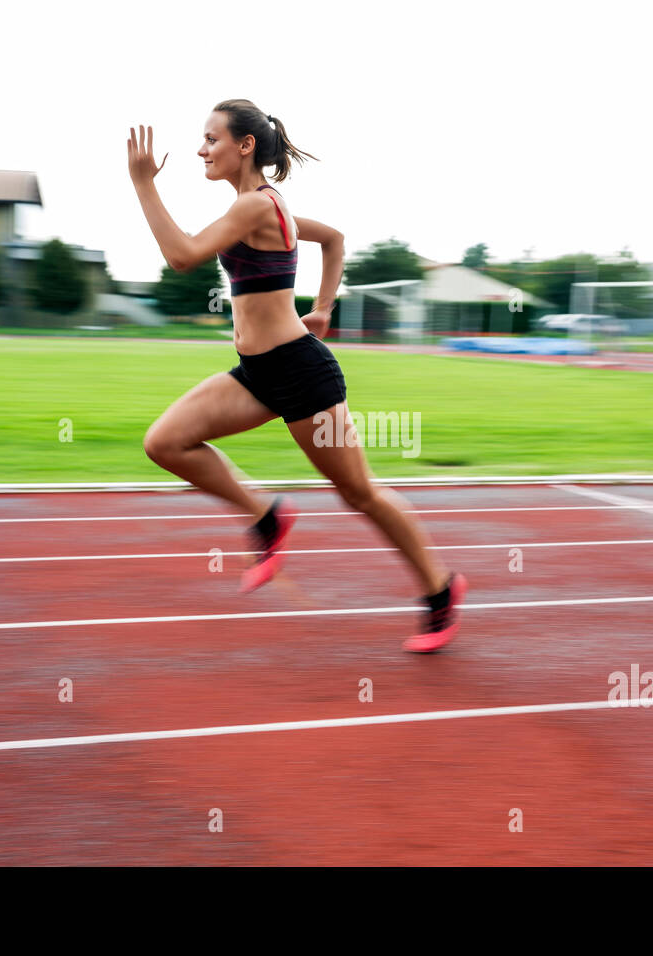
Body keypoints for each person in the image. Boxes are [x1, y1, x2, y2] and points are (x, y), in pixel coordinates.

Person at [126, 99, 466, 653]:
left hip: (301, 373)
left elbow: (182, 256)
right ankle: (267, 516)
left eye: (211, 139)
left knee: (359, 492)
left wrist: (143, 184)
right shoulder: (261, 205)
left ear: (245, 146)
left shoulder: (254, 207)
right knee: (165, 441)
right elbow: (333, 238)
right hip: (258, 372)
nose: (200, 149)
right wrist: (323, 308)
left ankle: (441, 588)